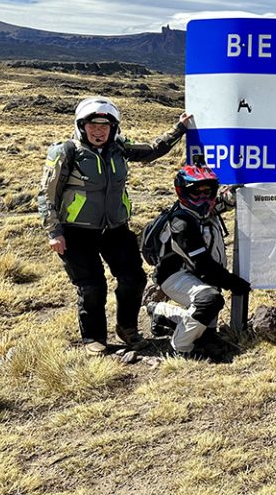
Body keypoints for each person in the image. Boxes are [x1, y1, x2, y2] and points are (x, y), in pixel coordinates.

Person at [37, 97, 192, 356]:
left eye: (105, 126)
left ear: (113, 128)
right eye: (92, 125)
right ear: (81, 126)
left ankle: (127, 328)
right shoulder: (66, 151)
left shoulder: (119, 147)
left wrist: (179, 128)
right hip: (77, 232)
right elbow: (46, 195)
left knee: (134, 278)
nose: (99, 131)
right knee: (92, 286)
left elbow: (152, 150)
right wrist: (54, 232)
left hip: (116, 230)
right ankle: (93, 339)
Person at [146, 163, 251, 360]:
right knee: (209, 300)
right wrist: (234, 283)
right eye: (196, 192)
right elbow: (205, 266)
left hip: (196, 273)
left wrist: (247, 187)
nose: (203, 197)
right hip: (175, 276)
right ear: (183, 192)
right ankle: (182, 347)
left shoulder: (202, 210)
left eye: (208, 191)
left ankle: (161, 312)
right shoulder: (182, 224)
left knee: (205, 326)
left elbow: (224, 200)